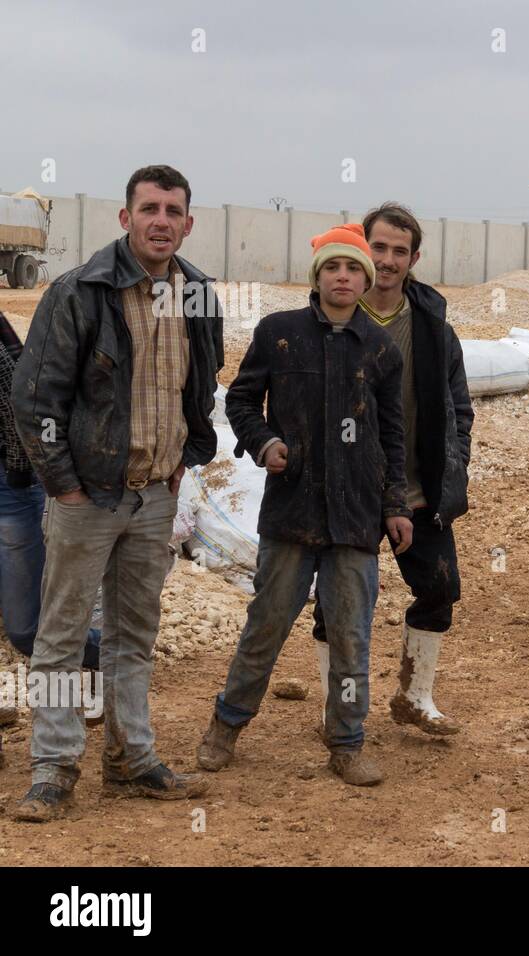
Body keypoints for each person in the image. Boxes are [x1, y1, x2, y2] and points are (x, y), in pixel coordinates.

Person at [10, 165, 222, 821]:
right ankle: (52, 770)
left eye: (174, 210)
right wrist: (64, 486)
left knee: (134, 636)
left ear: (188, 223)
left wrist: (187, 457)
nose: (162, 220)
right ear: (125, 218)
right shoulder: (81, 291)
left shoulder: (199, 295)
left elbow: (201, 384)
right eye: (150, 208)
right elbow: (35, 396)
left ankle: (132, 760)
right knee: (61, 637)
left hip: (155, 496)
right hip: (87, 498)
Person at [196, 224, 412, 787]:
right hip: (292, 512)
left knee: (351, 634)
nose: (343, 277)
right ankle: (226, 725)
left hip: (357, 518)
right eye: (332, 268)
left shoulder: (381, 348)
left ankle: (346, 742)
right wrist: (264, 442)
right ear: (317, 277)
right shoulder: (280, 333)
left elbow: (392, 435)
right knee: (265, 625)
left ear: (367, 279)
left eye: (354, 269)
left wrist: (396, 505)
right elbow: (241, 399)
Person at [309, 203, 473, 737]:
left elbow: (458, 407)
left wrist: (455, 462)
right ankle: (335, 708)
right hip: (348, 490)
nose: (386, 260)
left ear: (414, 258)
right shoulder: (331, 318)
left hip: (418, 490)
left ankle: (415, 695)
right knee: (337, 604)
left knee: (439, 589)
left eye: (399, 251)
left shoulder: (432, 329)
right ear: (361, 247)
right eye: (377, 248)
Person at [0, 310, 104, 755]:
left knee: (26, 629)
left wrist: (24, 474)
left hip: (9, 488)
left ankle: (103, 658)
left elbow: (17, 404)